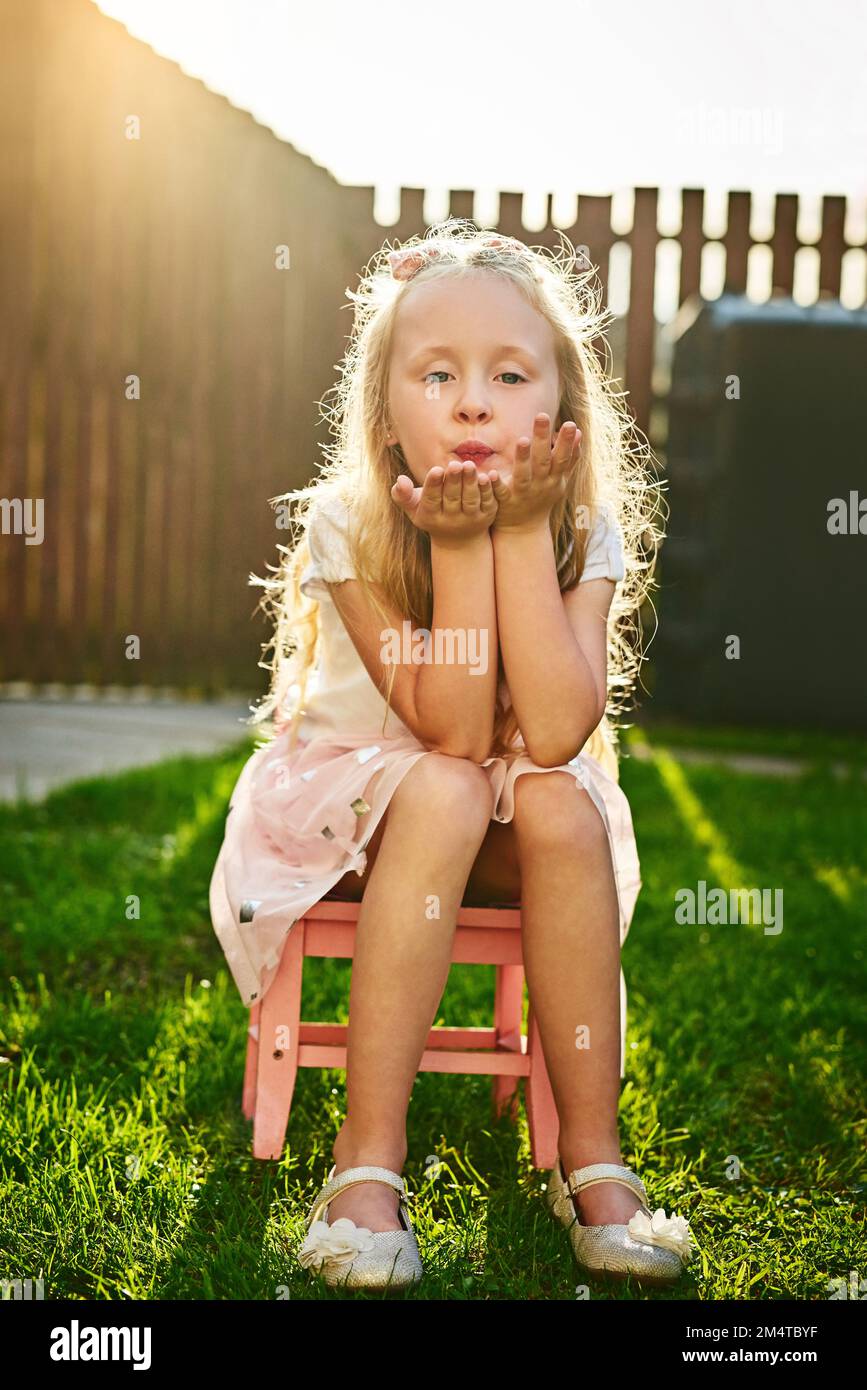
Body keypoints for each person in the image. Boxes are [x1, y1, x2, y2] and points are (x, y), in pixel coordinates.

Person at [209, 219, 693, 1290]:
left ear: (559, 408)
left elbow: (556, 732)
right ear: (385, 412)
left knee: (564, 803)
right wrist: (459, 540)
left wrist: (518, 532)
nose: (473, 401)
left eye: (507, 374)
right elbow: (455, 731)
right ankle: (365, 1168)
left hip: (501, 811)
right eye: (438, 374)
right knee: (441, 786)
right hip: (360, 819)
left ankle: (595, 1159)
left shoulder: (586, 535)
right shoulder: (346, 526)